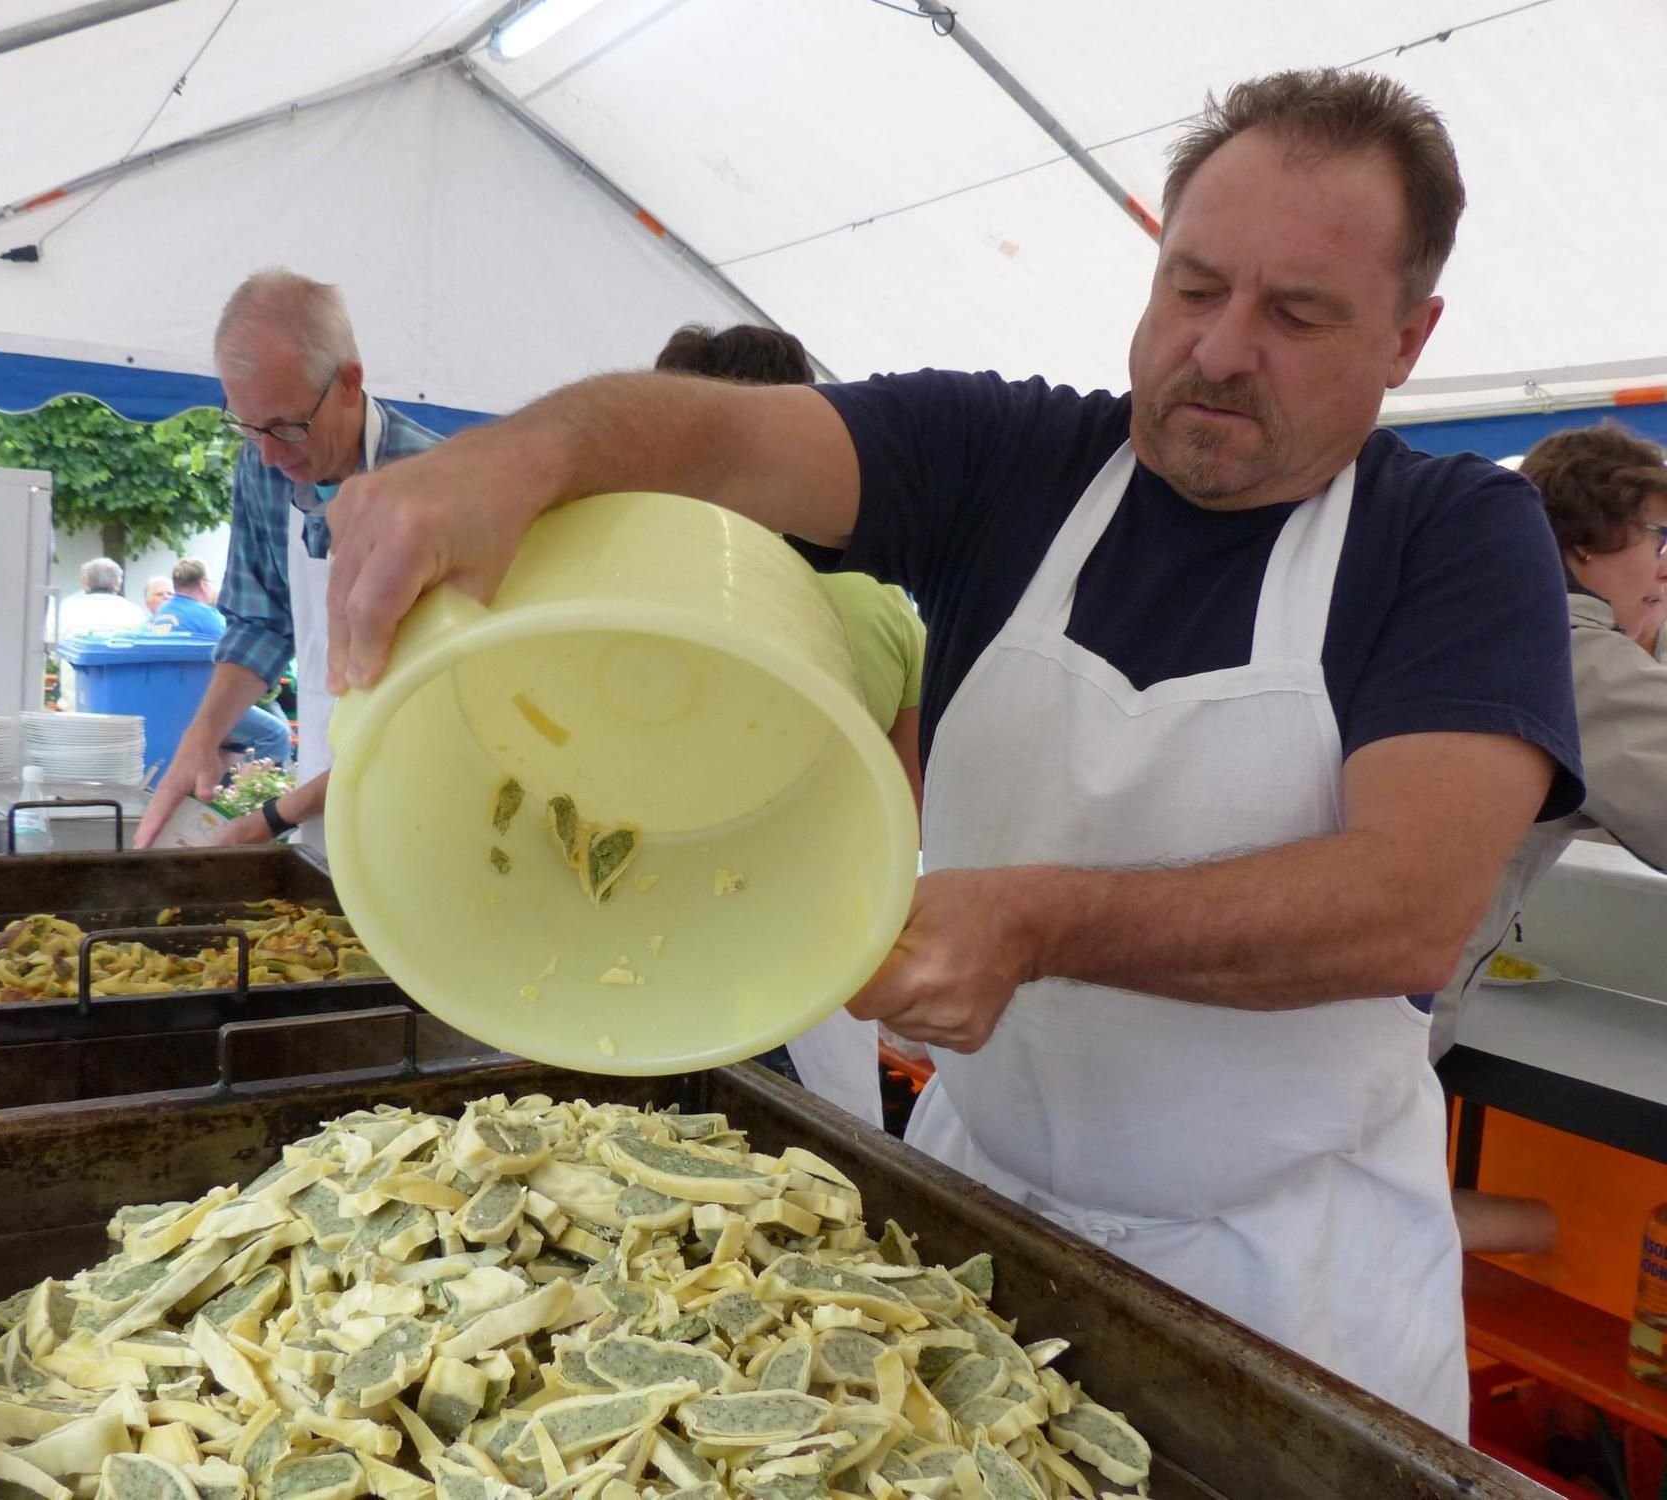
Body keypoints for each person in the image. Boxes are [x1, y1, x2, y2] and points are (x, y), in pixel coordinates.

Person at [313, 69, 1587, 1435]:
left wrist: (1036, 922)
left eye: (1296, 314)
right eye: (1193, 287)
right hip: (982, 1220)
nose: (1218, 349)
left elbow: (1409, 906)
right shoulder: (1012, 459)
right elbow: (719, 435)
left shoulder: (1453, 537)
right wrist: (523, 456)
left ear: (1409, 336)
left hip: (1289, 1285)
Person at [655, 321, 926, 1126]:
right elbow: (903, 809)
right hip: (815, 965)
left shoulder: (767, 602)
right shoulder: (868, 595)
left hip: (726, 967)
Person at [133, 270, 442, 850]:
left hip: (422, 806)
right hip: (323, 789)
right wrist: (201, 737)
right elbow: (262, 621)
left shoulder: (435, 487)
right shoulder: (262, 466)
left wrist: (274, 818)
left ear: (350, 383)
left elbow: (426, 714)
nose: (271, 455)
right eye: (249, 427)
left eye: (286, 426)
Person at [1431, 421, 1667, 1061]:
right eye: (1657, 537)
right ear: (1590, 542)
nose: (1661, 564)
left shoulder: (1450, 615)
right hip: (1375, 1028)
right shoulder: (1575, 656)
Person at [149, 557, 293, 769]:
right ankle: (252, 795)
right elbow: (241, 659)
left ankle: (228, 782)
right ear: (204, 584)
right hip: (202, 704)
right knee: (278, 733)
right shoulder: (208, 617)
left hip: (172, 704)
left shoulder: (162, 615)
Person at [55, 557, 148, 709]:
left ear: (85, 582)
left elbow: (51, 649)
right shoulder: (135, 613)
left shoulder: (65, 609)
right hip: (121, 705)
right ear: (118, 584)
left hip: (74, 706)